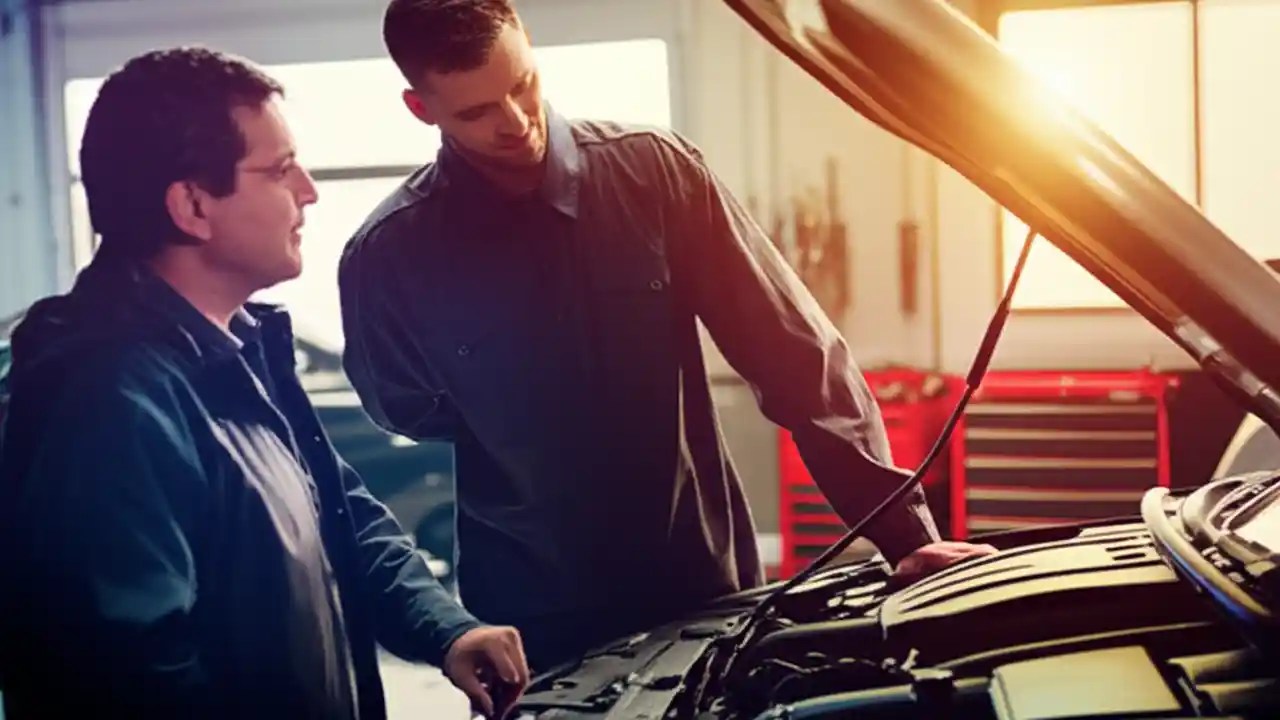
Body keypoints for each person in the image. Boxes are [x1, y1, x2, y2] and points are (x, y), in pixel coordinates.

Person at [338, 0, 997, 671]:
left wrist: (903, 536)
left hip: (698, 581)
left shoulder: (656, 174)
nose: (515, 123)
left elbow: (798, 359)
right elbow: (405, 407)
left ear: (529, 47)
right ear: (422, 109)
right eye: (475, 112)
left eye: (522, 85)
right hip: (531, 612)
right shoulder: (387, 255)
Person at [0, 47, 529, 720]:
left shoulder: (238, 346)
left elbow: (341, 518)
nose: (308, 190)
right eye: (280, 170)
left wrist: (446, 628)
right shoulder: (108, 397)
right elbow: (131, 684)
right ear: (192, 205)